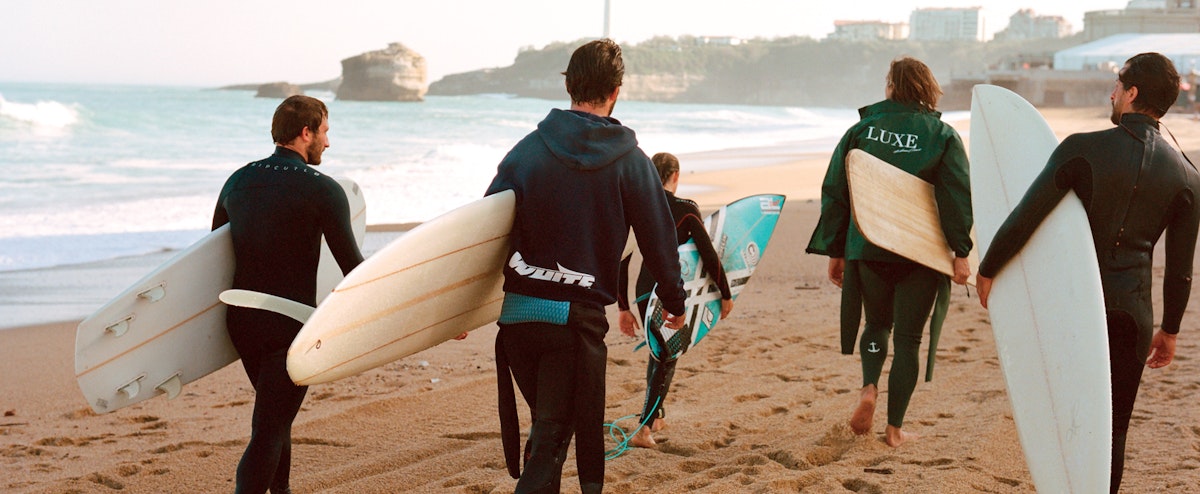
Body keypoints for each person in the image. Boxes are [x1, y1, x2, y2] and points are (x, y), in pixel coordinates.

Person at [976, 52, 1200, 493]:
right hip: (1134, 314)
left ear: (1132, 93)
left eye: (1117, 85)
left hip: (1077, 304)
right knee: (1112, 429)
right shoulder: (1188, 178)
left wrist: (989, 269)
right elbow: (1180, 270)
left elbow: (1026, 216)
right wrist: (1170, 329)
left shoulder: (1083, 148)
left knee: (1063, 416)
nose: (1111, 92)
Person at [485, 39, 688, 494]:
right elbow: (659, 241)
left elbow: (484, 230)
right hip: (571, 327)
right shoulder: (631, 163)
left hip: (518, 322)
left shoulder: (526, 151)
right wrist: (674, 301)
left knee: (548, 431)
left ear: (569, 85)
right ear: (616, 90)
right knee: (552, 441)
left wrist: (458, 306)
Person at [806, 57, 973, 447]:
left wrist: (836, 249)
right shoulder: (942, 135)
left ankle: (868, 388)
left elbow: (836, 190)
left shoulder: (861, 130)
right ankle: (894, 428)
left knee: (877, 326)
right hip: (918, 253)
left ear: (892, 87)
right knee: (909, 340)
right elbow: (955, 195)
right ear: (928, 88)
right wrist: (960, 250)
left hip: (868, 248)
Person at [212, 95, 364, 494]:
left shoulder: (237, 180)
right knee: (269, 427)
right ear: (306, 132)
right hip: (289, 325)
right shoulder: (324, 190)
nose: (328, 143)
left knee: (276, 418)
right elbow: (354, 270)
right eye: (325, 132)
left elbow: (213, 255)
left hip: (242, 321)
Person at [615, 151, 734, 448]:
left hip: (644, 293)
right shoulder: (686, 209)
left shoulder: (636, 208)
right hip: (670, 293)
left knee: (658, 352)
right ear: (676, 177)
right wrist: (726, 293)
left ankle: (655, 416)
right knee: (668, 358)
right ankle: (644, 430)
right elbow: (708, 255)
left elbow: (622, 258)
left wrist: (623, 307)